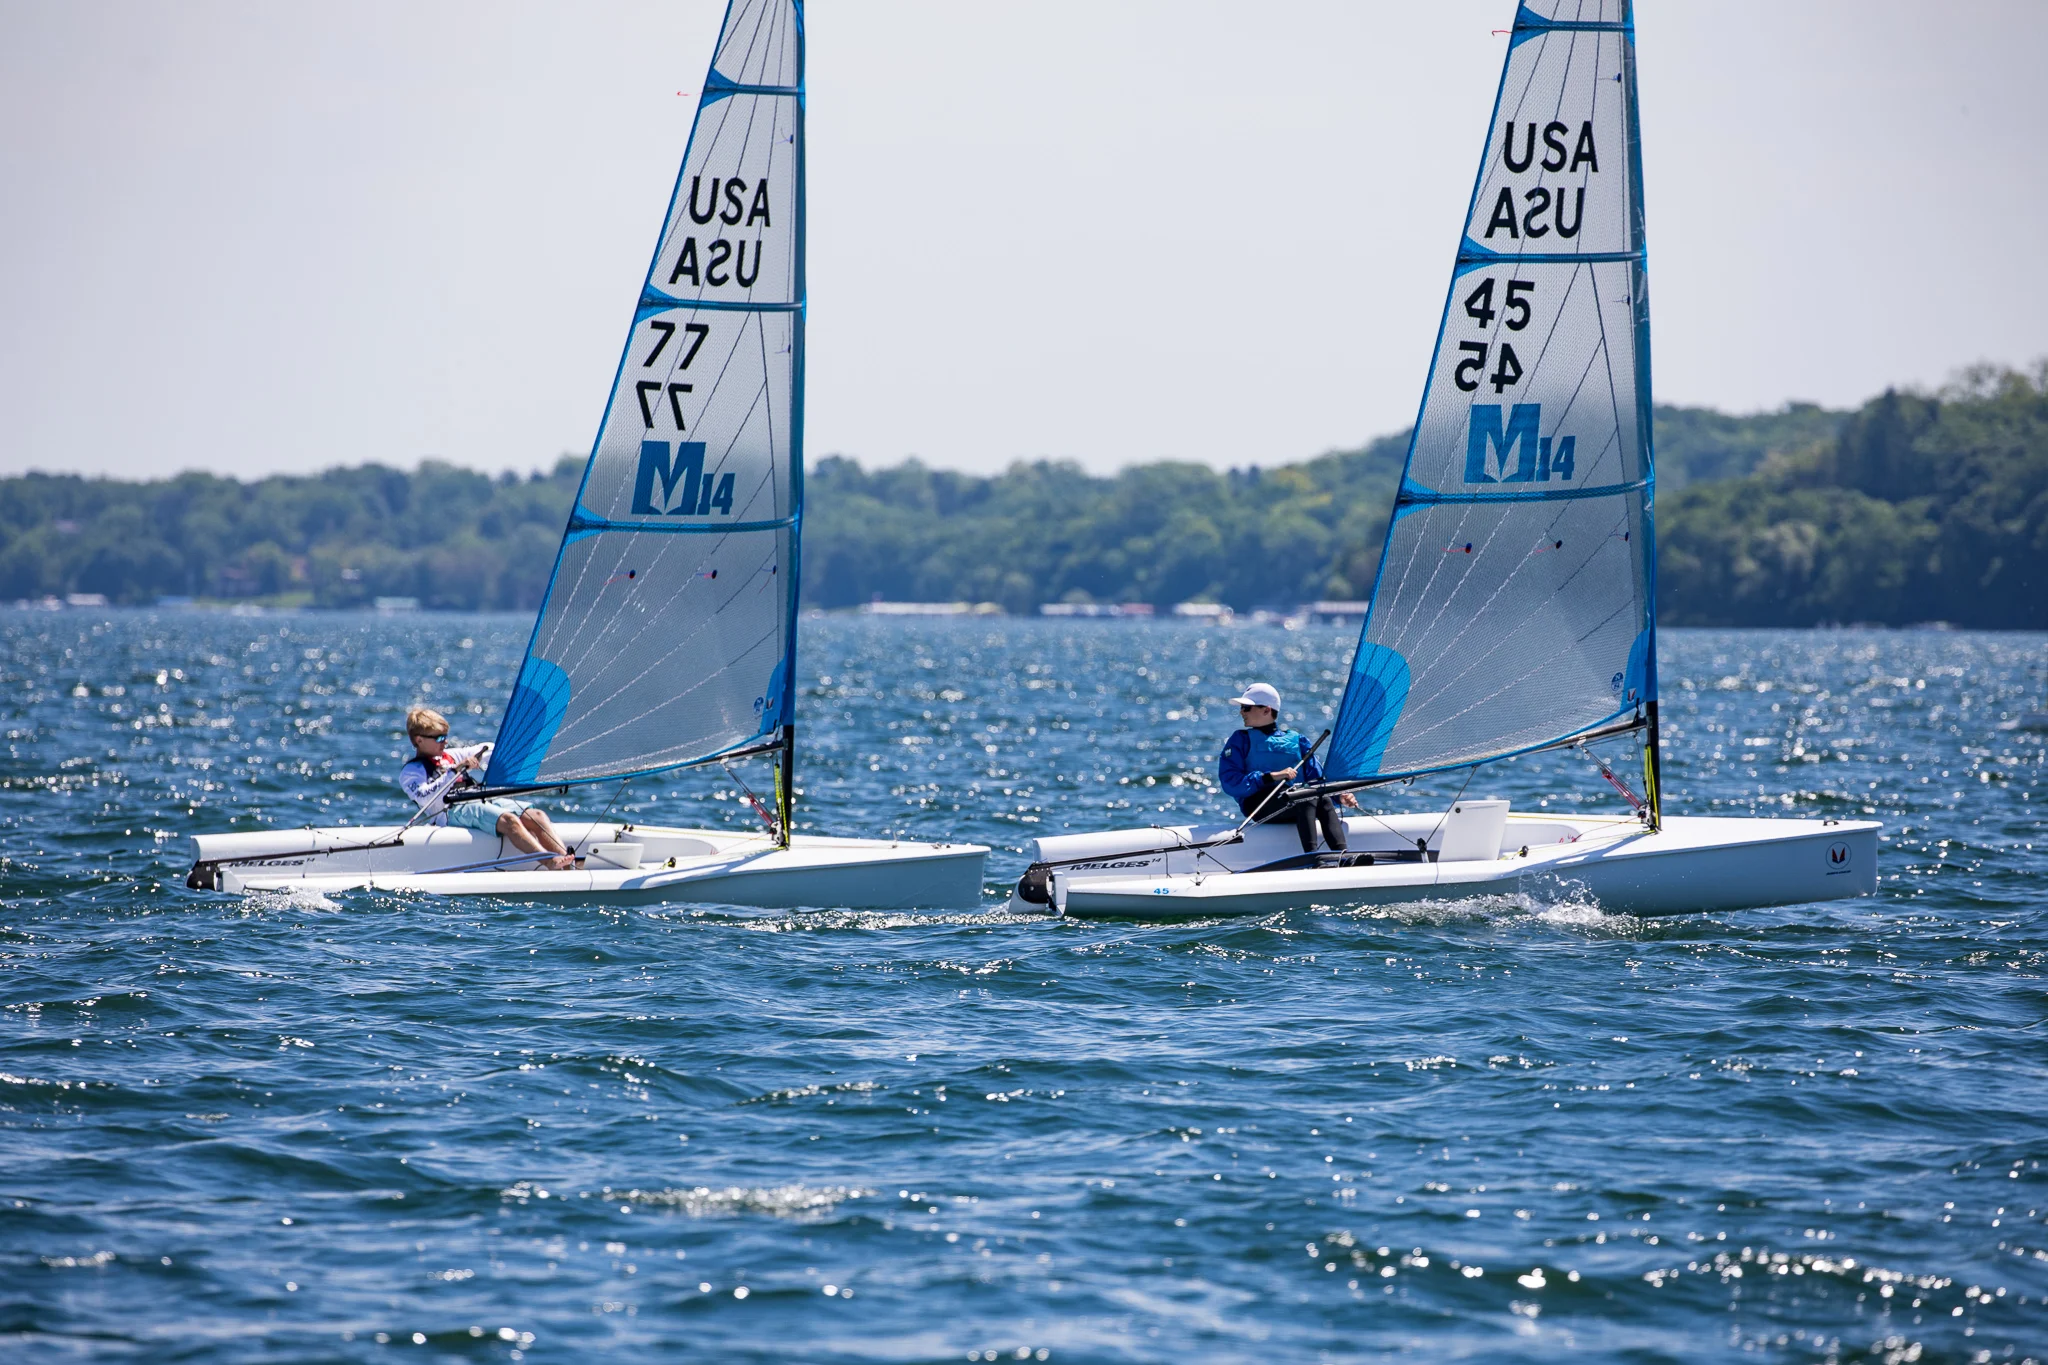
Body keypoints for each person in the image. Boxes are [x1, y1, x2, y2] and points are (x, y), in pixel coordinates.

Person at [399, 705, 574, 871]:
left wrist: (504, 754)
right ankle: (549, 861)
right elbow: (426, 799)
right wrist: (455, 771)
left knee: (536, 815)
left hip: (477, 799)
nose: (444, 742)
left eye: (445, 737)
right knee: (509, 820)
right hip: (451, 811)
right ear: (419, 740)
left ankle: (566, 863)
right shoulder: (410, 772)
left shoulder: (451, 755)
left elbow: (485, 748)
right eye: (439, 738)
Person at [1217, 683, 1356, 854]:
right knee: (1305, 798)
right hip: (1260, 805)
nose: (1241, 712)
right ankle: (1312, 856)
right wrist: (1268, 777)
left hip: (1297, 803)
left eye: (1246, 708)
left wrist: (1339, 796)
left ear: (1266, 710)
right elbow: (1230, 783)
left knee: (1322, 798)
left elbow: (1317, 780)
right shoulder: (1240, 740)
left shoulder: (1297, 740)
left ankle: (1343, 855)